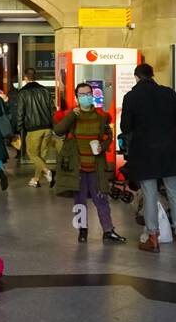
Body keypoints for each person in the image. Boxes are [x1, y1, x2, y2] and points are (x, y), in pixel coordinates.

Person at [121, 63, 176, 252]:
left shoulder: (131, 97)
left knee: (150, 195)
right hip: (171, 150)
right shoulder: (169, 93)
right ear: (152, 75)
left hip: (145, 152)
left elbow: (125, 127)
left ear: (136, 77)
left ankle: (153, 237)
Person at [53, 82, 127, 244]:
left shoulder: (101, 116)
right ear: (77, 97)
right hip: (77, 167)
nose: (86, 97)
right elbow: (58, 131)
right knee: (79, 201)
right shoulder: (72, 115)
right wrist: (72, 114)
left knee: (101, 199)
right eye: (82, 95)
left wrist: (103, 146)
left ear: (92, 95)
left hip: (96, 166)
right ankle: (82, 231)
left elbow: (108, 134)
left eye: (88, 94)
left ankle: (108, 231)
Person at [12, 68, 56, 188]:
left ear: (25, 78)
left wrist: (18, 130)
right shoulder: (45, 90)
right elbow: (53, 110)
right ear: (35, 76)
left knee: (31, 153)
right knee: (41, 156)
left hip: (33, 129)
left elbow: (20, 113)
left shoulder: (22, 93)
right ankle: (36, 180)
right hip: (47, 127)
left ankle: (47, 171)